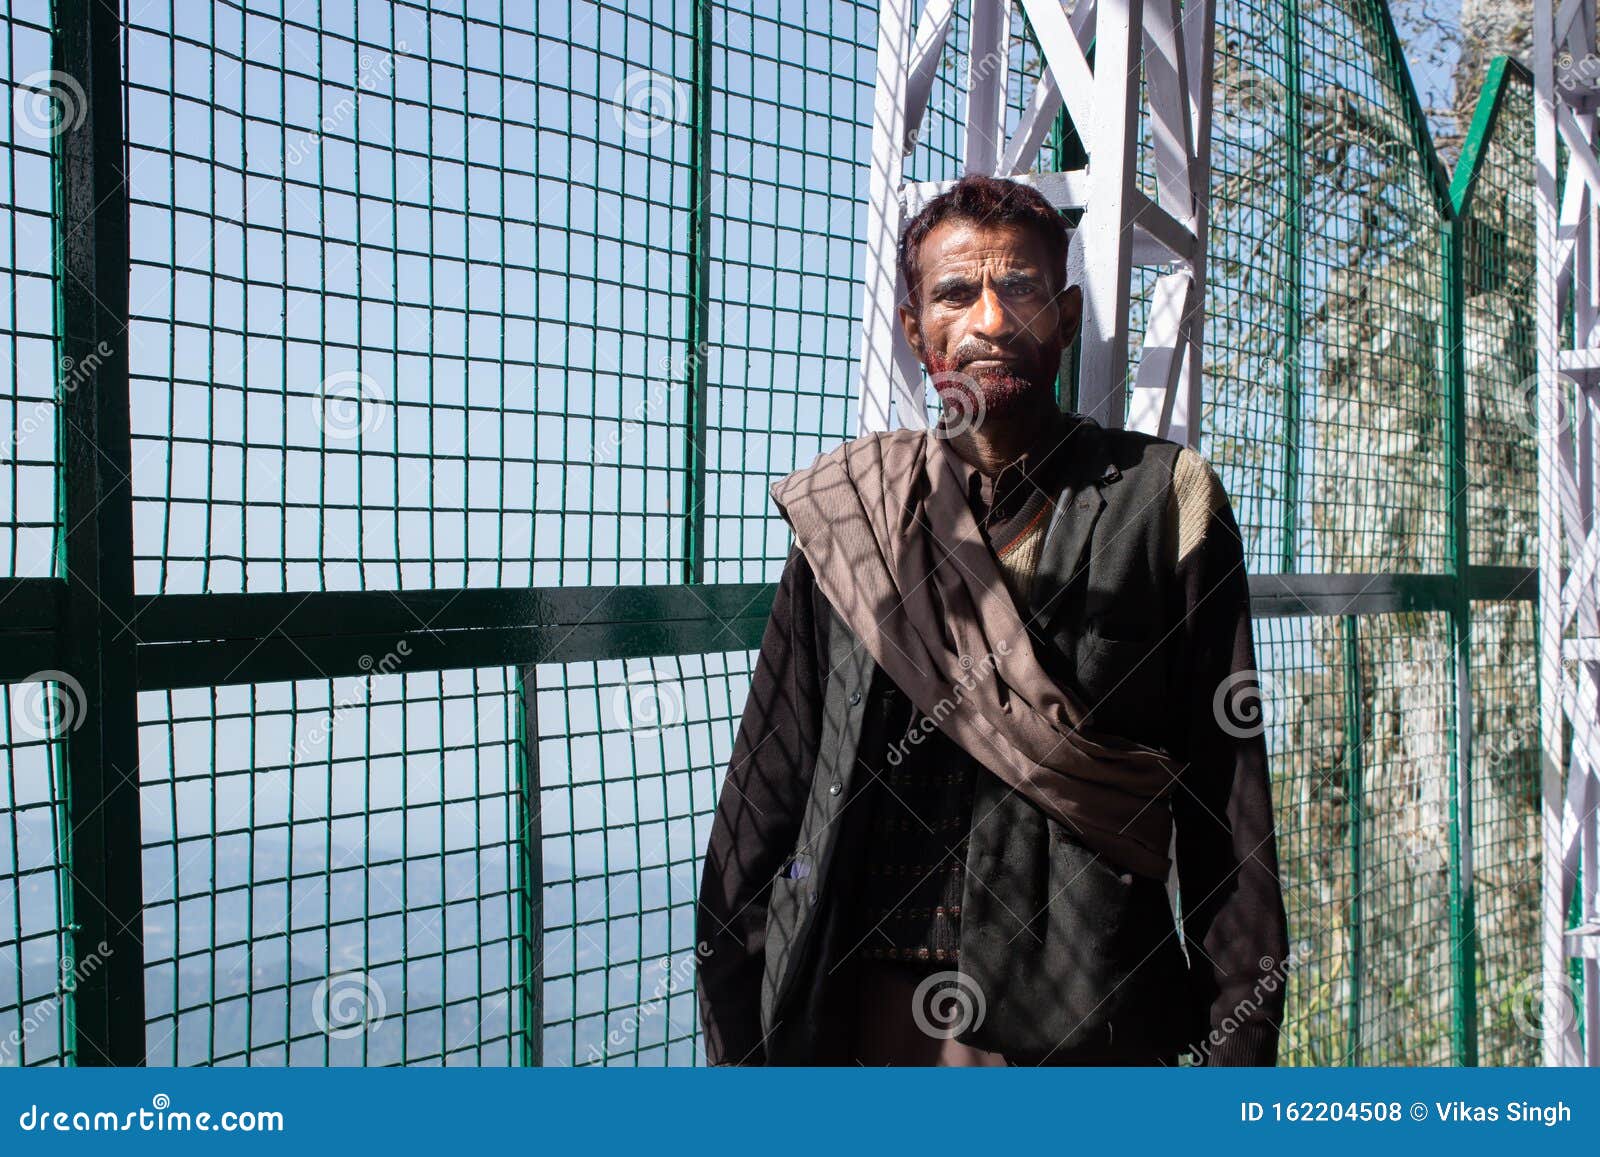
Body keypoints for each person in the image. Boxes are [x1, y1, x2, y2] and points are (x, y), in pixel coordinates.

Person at [696, 173, 1290, 1066]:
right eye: (954, 293)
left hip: (1090, 1033)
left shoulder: (1165, 500)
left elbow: (1229, 831)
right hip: (860, 1033)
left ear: (1066, 312)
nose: (990, 320)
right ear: (913, 328)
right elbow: (761, 812)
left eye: (1021, 288)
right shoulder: (852, 518)